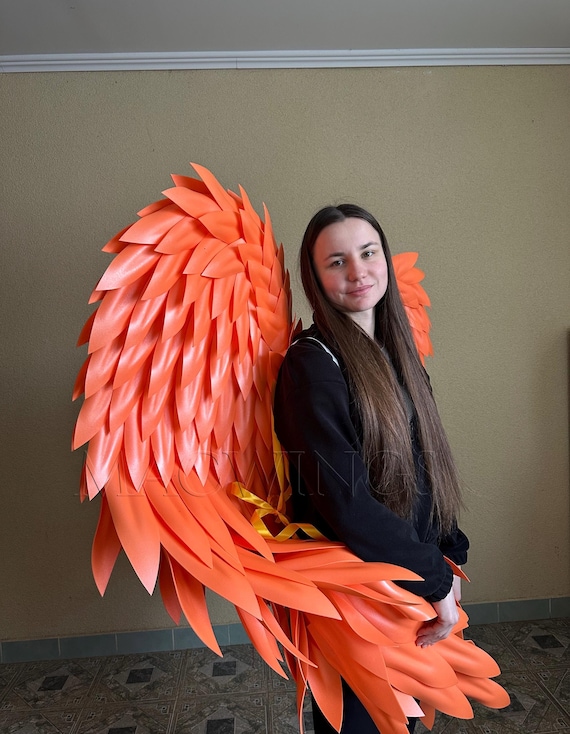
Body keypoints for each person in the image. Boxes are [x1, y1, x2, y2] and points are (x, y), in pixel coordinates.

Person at [273, 204, 469, 734]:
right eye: (336, 262)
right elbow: (347, 504)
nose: (358, 272)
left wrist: (450, 556)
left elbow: (427, 467)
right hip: (357, 602)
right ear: (315, 278)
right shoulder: (312, 365)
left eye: (368, 253)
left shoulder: (398, 353)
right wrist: (433, 578)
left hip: (409, 583)